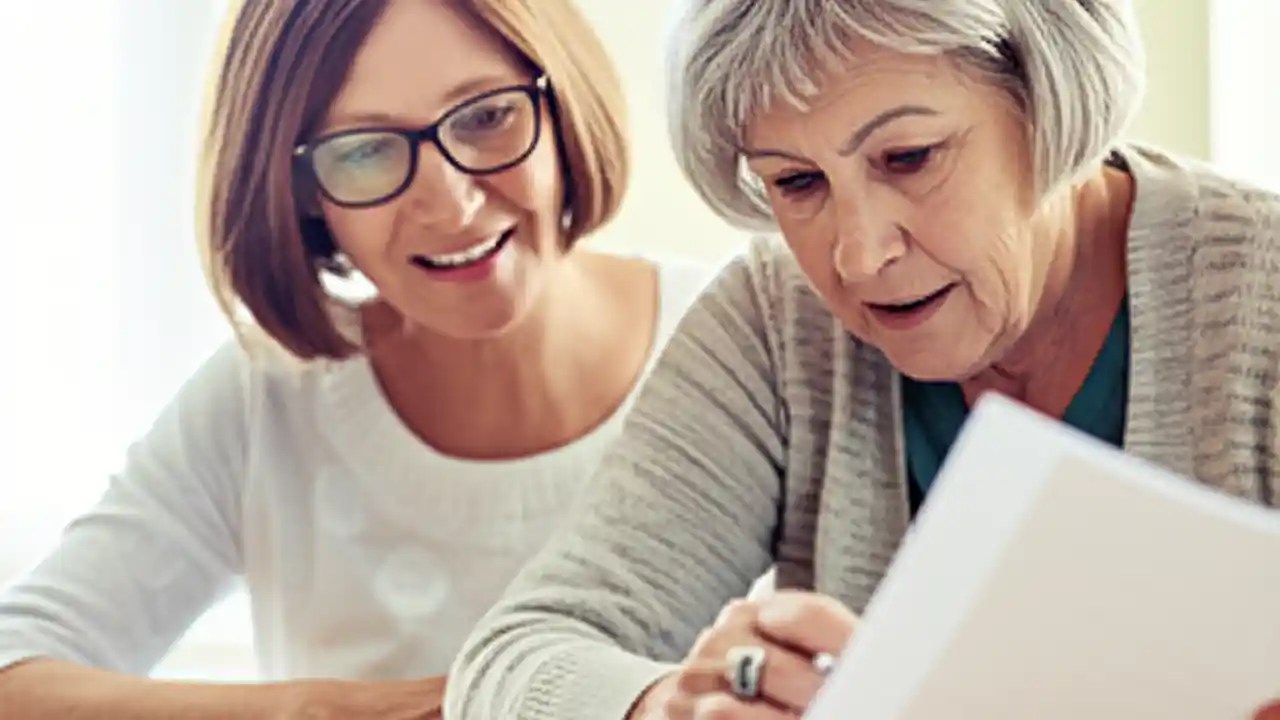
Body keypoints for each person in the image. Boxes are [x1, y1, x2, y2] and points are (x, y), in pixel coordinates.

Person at [445, 1, 1280, 718]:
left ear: (1047, 102)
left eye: (908, 158)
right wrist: (668, 703)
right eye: (797, 183)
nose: (857, 255)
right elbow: (517, 655)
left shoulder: (1261, 294)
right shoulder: (775, 326)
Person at [0, 0, 715, 717]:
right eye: (364, 150)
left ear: (561, 108)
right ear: (303, 194)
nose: (451, 204)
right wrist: (320, 710)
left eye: (485, 116)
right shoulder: (268, 400)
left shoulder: (741, 348)